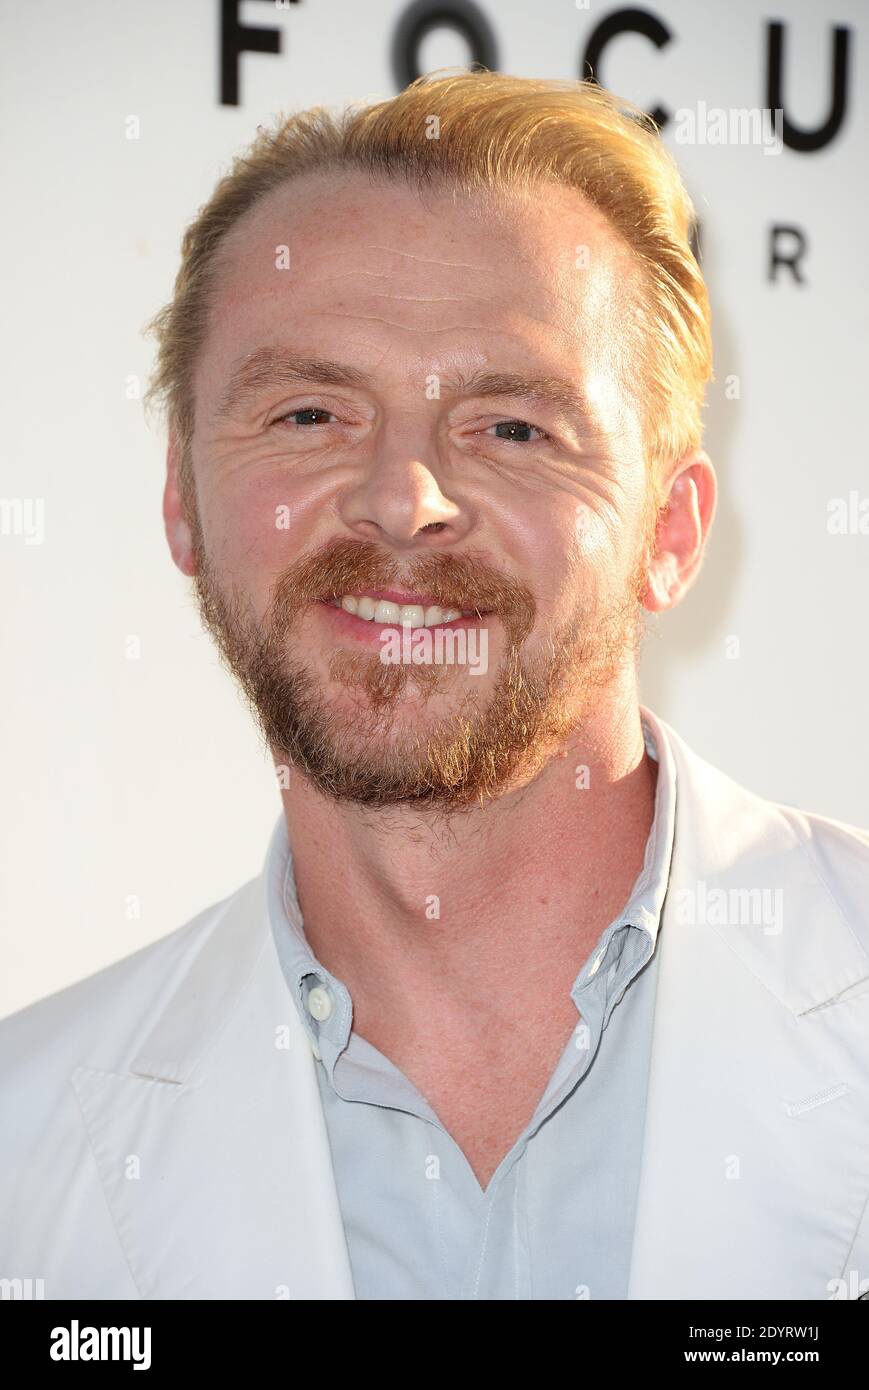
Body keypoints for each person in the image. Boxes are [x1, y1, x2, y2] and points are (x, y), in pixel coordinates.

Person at [2, 69, 868, 1302]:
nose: (403, 500)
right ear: (182, 504)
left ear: (668, 533)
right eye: (309, 414)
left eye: (510, 427)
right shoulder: (19, 1154)